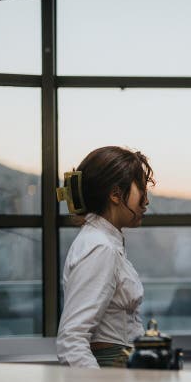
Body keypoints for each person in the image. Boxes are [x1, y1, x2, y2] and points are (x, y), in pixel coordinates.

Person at [56, 146, 154, 368]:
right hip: (113, 374)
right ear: (115, 194)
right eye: (141, 189)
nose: (146, 201)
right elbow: (71, 341)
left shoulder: (102, 240)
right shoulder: (100, 247)